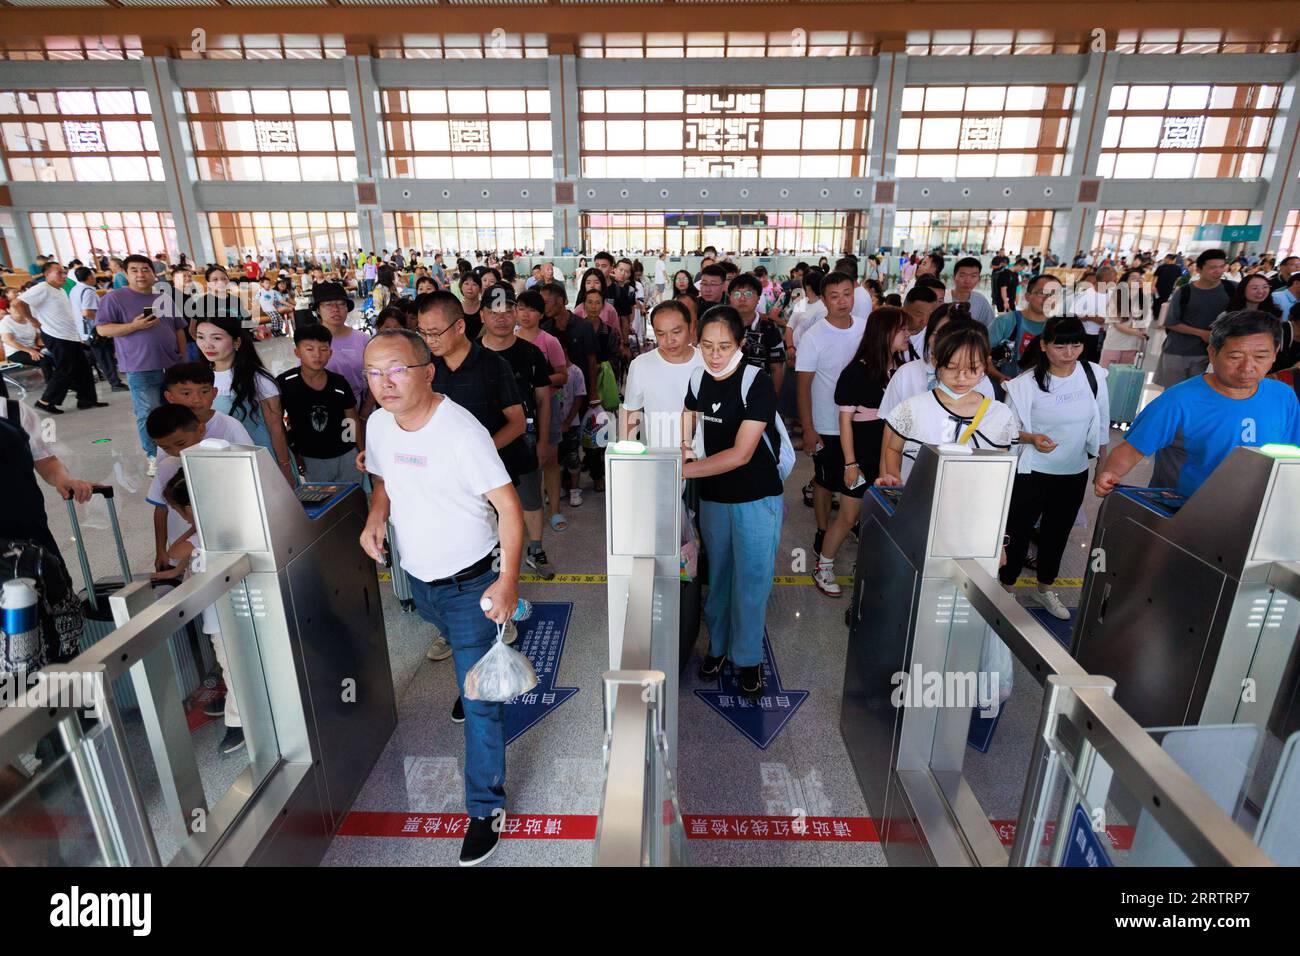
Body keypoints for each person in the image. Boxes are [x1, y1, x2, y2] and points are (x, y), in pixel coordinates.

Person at [358, 327, 523, 866]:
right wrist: (375, 517)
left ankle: (484, 810)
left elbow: (511, 510)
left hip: (471, 582)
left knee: (481, 707)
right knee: (451, 642)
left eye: (398, 369)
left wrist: (507, 583)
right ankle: (473, 649)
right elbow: (383, 478)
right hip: (420, 581)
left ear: (428, 371)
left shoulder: (460, 432)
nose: (386, 383)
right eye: (374, 373)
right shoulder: (379, 423)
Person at [681, 306, 784, 701]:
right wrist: (681, 448)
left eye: (724, 345)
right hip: (715, 497)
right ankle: (718, 649)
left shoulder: (755, 382)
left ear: (740, 343)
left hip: (757, 496)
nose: (714, 354)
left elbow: (742, 454)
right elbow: (686, 419)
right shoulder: (697, 377)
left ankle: (748, 659)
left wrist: (684, 470)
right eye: (706, 345)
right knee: (719, 576)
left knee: (752, 581)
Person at [1096, 311, 1300, 499]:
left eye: (1261, 357)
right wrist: (1110, 474)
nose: (1248, 367)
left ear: (1275, 353)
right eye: (1235, 357)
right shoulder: (1179, 401)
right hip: (1184, 511)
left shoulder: (1283, 396)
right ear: (1212, 353)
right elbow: (1129, 451)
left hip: (1256, 507)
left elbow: (1291, 452)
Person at [1002, 317, 1110, 619]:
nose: (1069, 351)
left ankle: (1045, 588)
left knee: (1057, 534)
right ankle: (1007, 587)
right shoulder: (1025, 384)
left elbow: (1101, 421)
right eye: (1060, 344)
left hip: (1073, 473)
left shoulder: (1094, 375)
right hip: (1031, 472)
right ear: (1045, 345)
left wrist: (1103, 463)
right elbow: (1007, 428)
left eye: (1076, 344)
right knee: (1018, 532)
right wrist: (1031, 438)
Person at [813, 306, 910, 597]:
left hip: (891, 454)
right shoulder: (857, 372)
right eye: (902, 329)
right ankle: (824, 566)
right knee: (848, 516)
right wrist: (850, 463)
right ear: (885, 333)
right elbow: (846, 422)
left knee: (881, 516)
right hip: (862, 454)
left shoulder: (903, 368)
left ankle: (866, 567)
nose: (908, 334)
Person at [877, 321, 1019, 485]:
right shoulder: (912, 409)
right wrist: (896, 481)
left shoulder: (999, 414)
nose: (961, 377)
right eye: (951, 367)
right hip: (919, 502)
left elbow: (1001, 466)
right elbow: (893, 449)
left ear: (985, 365)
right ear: (936, 361)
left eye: (972, 369)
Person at [479, 284, 555, 580]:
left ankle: (535, 549)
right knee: (484, 505)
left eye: (508, 310)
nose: (502, 317)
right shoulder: (470, 354)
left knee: (530, 499)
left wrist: (544, 442)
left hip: (525, 440)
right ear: (482, 315)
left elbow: (543, 400)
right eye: (494, 311)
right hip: (482, 445)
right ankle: (492, 555)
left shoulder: (531, 354)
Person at [796, 271, 866, 560]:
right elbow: (803, 387)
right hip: (827, 424)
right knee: (825, 481)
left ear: (855, 293)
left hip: (861, 421)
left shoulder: (865, 328)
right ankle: (824, 529)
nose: (842, 301)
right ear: (823, 300)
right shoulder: (814, 337)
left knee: (858, 477)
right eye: (834, 296)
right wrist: (809, 429)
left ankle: (850, 522)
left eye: (847, 294)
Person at [193, 315, 295, 486]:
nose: (207, 345)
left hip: (261, 461)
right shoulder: (198, 378)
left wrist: (285, 467)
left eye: (216, 338)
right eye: (201, 337)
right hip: (221, 465)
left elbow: (276, 429)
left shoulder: (259, 380)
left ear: (236, 342)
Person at [14, 261, 106, 416]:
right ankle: (45, 401)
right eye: (59, 273)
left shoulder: (60, 290)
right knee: (65, 370)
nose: (63, 276)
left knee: (83, 368)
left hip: (70, 335)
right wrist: (31, 319)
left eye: (64, 272)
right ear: (47, 274)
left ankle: (87, 400)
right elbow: (18, 302)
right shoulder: (42, 288)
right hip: (56, 335)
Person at [276, 326, 363, 482]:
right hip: (311, 458)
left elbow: (352, 419)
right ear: (297, 352)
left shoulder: (339, 382)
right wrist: (291, 454)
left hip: (346, 454)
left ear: (330, 353)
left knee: (352, 499)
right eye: (310, 349)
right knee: (323, 502)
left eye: (323, 349)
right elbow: (277, 423)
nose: (317, 355)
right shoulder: (285, 383)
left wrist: (360, 450)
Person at [621, 299, 703, 448]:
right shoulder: (641, 365)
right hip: (661, 456)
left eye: (676, 332)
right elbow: (630, 416)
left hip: (705, 459)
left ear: (691, 327)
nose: (669, 340)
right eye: (660, 334)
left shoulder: (707, 362)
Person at [988, 274, 1065, 378]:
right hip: (1008, 386)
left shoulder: (1060, 327)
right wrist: (999, 377)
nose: (1049, 299)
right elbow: (981, 356)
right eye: (1042, 293)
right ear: (1027, 296)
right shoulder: (1005, 322)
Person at [308, 281, 368, 406]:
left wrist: (365, 412)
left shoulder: (363, 339)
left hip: (359, 402)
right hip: (324, 404)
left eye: (341, 304)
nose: (335, 309)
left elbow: (376, 376)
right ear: (318, 310)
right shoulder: (310, 342)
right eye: (328, 305)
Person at [68, 266, 126, 392]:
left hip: (84, 331)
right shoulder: (88, 291)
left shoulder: (74, 290)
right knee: (105, 357)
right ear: (89, 277)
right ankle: (115, 383)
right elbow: (87, 312)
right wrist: (101, 321)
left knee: (98, 357)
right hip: (94, 330)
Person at [731, 272, 787, 396]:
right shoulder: (722, 326)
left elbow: (776, 368)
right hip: (726, 393)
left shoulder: (769, 328)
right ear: (730, 297)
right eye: (737, 294)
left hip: (759, 393)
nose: (742, 298)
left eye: (748, 294)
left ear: (758, 298)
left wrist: (773, 400)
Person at [1101, 268, 1150, 367]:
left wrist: (1142, 340)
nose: (1137, 280)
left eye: (1140, 278)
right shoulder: (1116, 297)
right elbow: (1116, 324)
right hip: (1114, 344)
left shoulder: (1144, 300)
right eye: (1133, 278)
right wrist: (1137, 333)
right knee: (1105, 374)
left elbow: (1143, 323)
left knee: (1123, 377)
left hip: (1132, 346)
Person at [0, 297, 54, 380]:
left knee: (58, 356)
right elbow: (8, 340)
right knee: (45, 361)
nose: (17, 309)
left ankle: (65, 384)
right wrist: (29, 350)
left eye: (20, 307)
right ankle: (52, 387)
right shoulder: (5, 322)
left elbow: (38, 337)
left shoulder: (30, 319)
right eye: (14, 307)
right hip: (16, 352)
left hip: (32, 348)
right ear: (8, 310)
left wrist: (40, 345)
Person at [946, 257, 996, 328]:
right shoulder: (942, 298)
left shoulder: (981, 301)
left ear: (978, 278)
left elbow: (990, 327)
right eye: (962, 276)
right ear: (954, 277)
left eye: (973, 276)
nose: (967, 281)